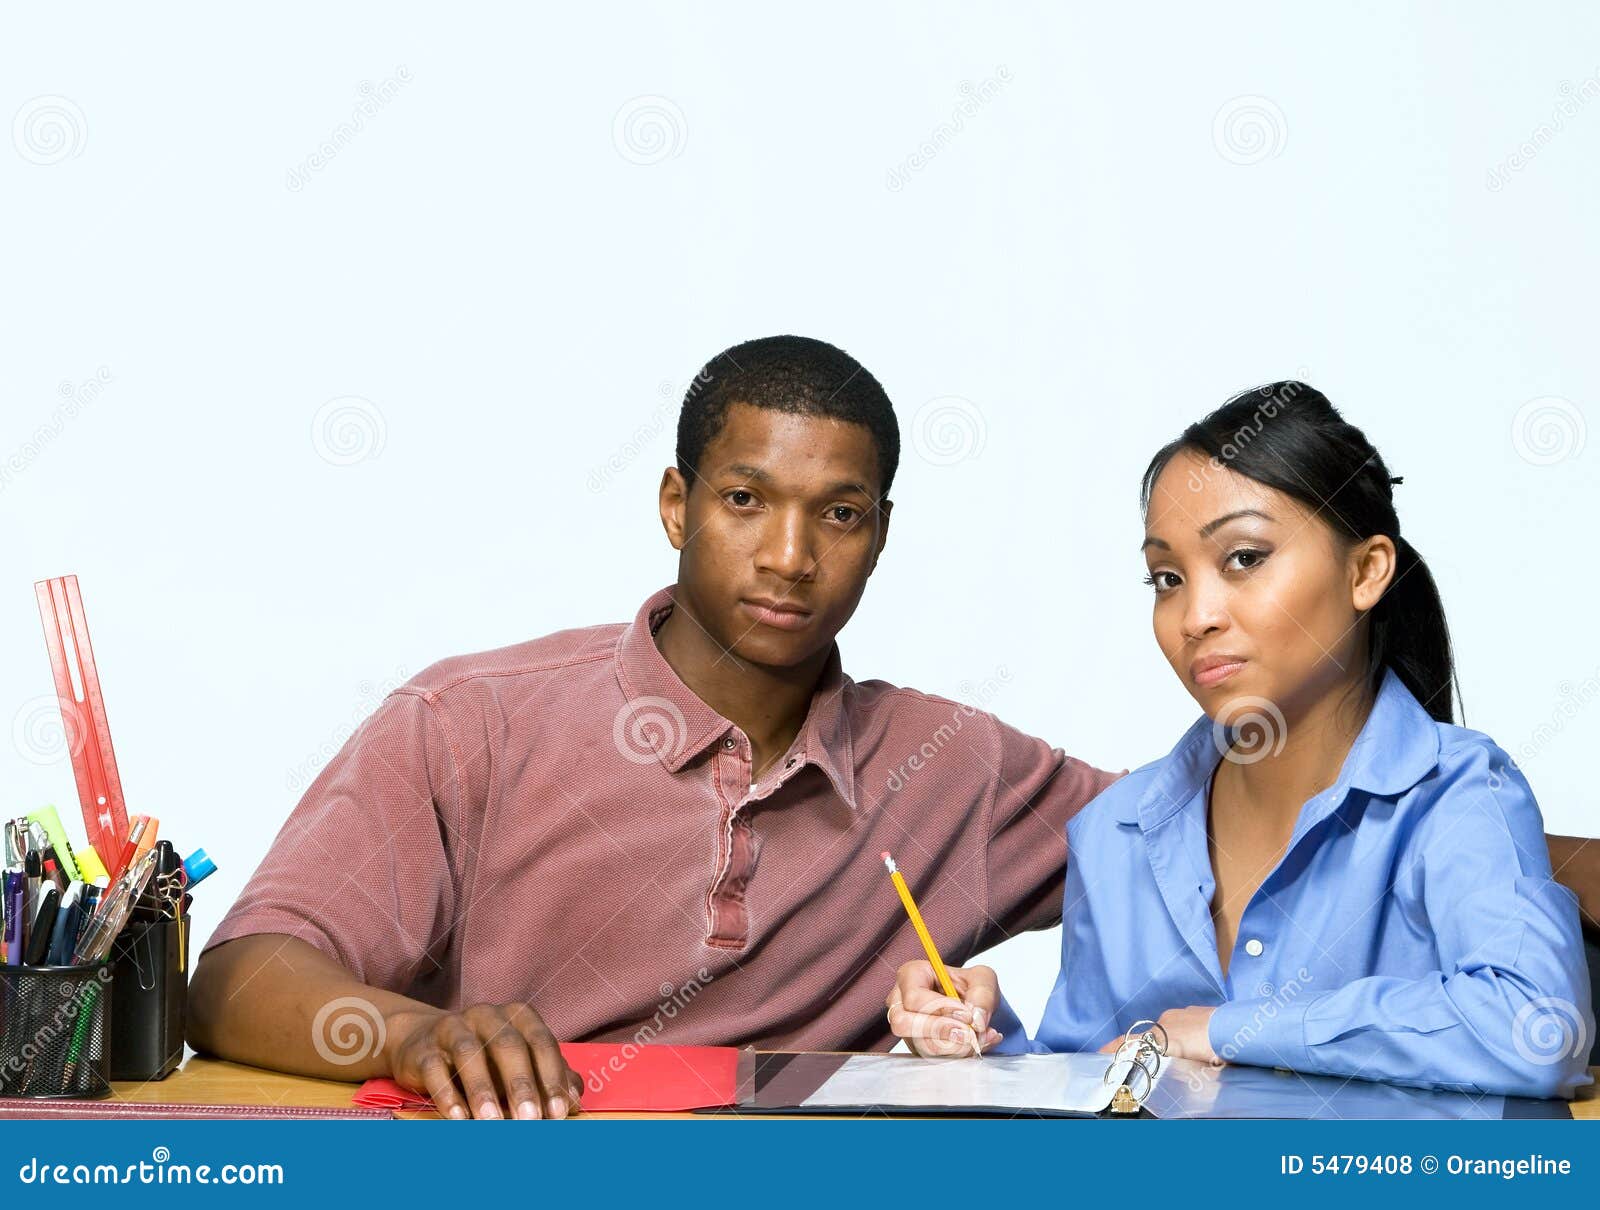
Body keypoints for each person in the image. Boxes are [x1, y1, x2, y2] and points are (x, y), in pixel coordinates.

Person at [187, 335, 1117, 1119]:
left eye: (838, 515)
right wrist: (412, 1032)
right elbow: (237, 982)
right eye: (746, 501)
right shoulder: (472, 721)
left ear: (880, 534)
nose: (790, 558)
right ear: (677, 506)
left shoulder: (951, 763)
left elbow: (1205, 843)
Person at [887, 382, 1594, 1098]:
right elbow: (1096, 1090)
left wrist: (1228, 1029)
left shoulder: (1457, 796)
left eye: (1245, 558)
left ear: (1365, 570)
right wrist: (979, 1039)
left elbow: (1535, 1030)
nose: (1195, 616)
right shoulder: (1116, 830)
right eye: (1166, 577)